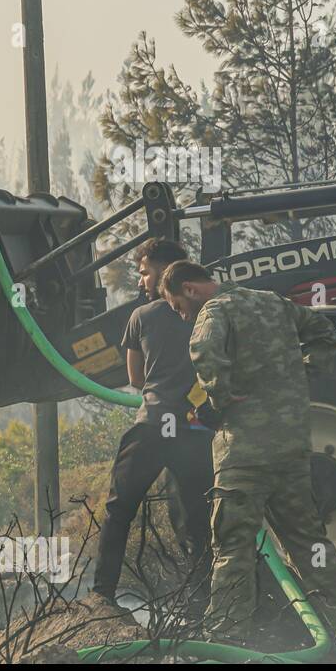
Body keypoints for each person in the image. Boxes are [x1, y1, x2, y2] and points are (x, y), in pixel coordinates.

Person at [160, 260, 336, 648]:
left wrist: (220, 395)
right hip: (290, 450)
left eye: (177, 306)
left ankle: (225, 639)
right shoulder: (274, 303)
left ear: (189, 289)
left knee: (233, 545)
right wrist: (301, 376)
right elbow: (326, 331)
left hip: (244, 454)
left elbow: (204, 349)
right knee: (310, 543)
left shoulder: (214, 311)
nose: (181, 314)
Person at [89, 240, 213, 609]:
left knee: (119, 510)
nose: (142, 281)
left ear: (164, 270)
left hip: (154, 425)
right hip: (196, 430)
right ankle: (202, 604)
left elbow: (137, 379)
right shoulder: (209, 312)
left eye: (144, 272)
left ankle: (102, 595)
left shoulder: (142, 317)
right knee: (197, 521)